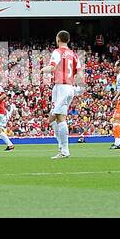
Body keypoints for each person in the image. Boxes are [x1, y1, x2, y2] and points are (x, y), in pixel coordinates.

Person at [43, 29, 79, 160]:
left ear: (58, 39)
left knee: (60, 117)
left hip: (61, 87)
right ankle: (61, 147)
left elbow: (52, 67)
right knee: (52, 118)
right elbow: (77, 71)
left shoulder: (57, 52)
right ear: (68, 40)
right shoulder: (74, 54)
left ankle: (64, 150)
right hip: (68, 86)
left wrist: (42, 70)